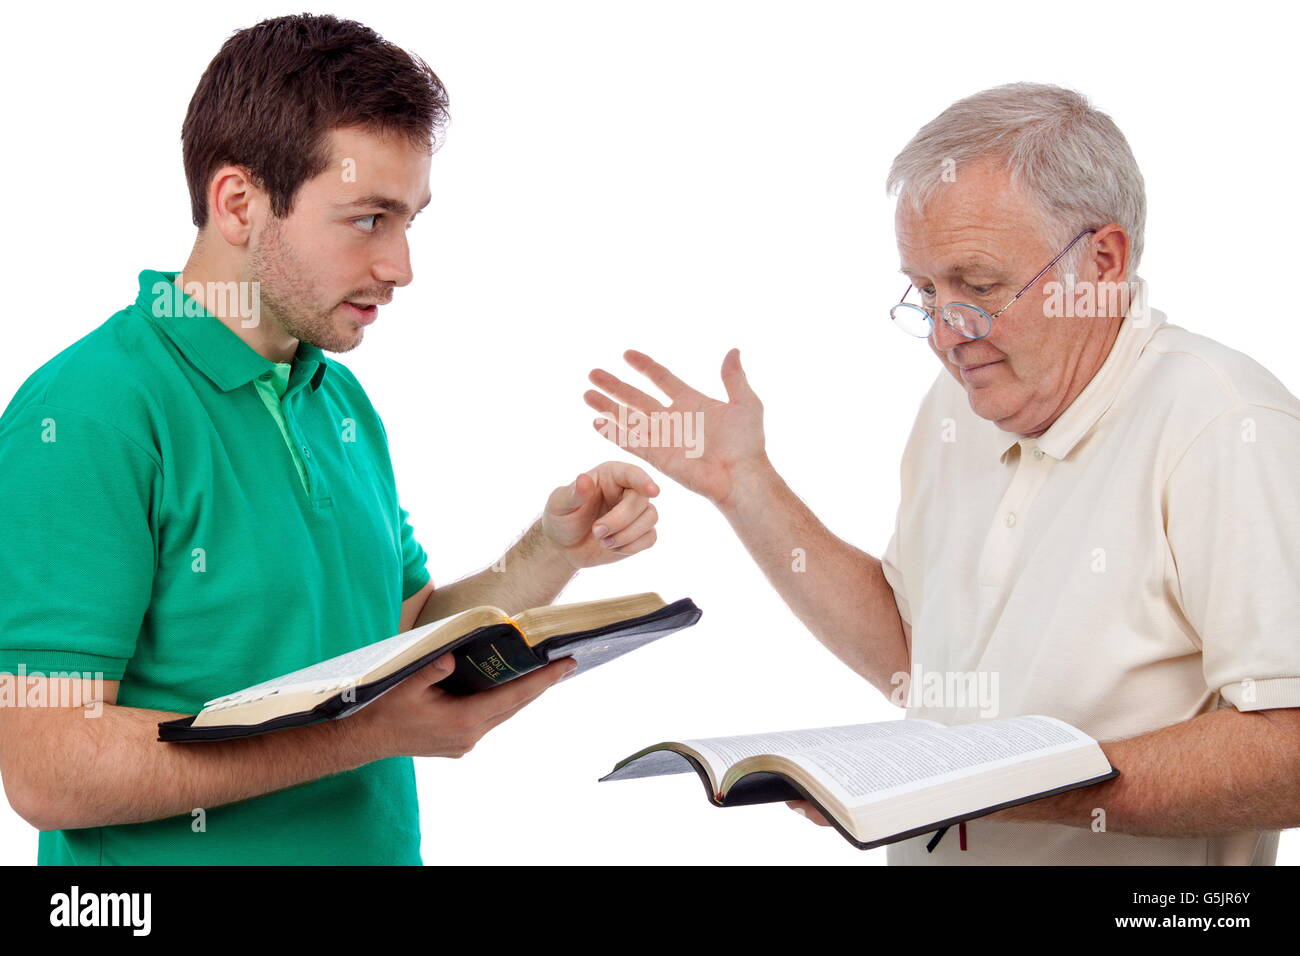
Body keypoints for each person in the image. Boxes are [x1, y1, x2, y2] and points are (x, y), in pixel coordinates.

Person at [0, 14, 660, 865]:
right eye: (368, 219)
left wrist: (551, 549)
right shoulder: (90, 413)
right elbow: (48, 767)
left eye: (410, 220)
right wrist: (366, 737)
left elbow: (397, 629)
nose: (402, 266)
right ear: (238, 202)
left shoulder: (335, 396)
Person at [585, 83, 1300, 865]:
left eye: (981, 287)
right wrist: (743, 483)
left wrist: (1002, 783)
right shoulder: (958, 405)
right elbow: (915, 661)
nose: (946, 335)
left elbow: (1289, 752)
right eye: (926, 291)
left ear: (1102, 261)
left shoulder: (1225, 426)